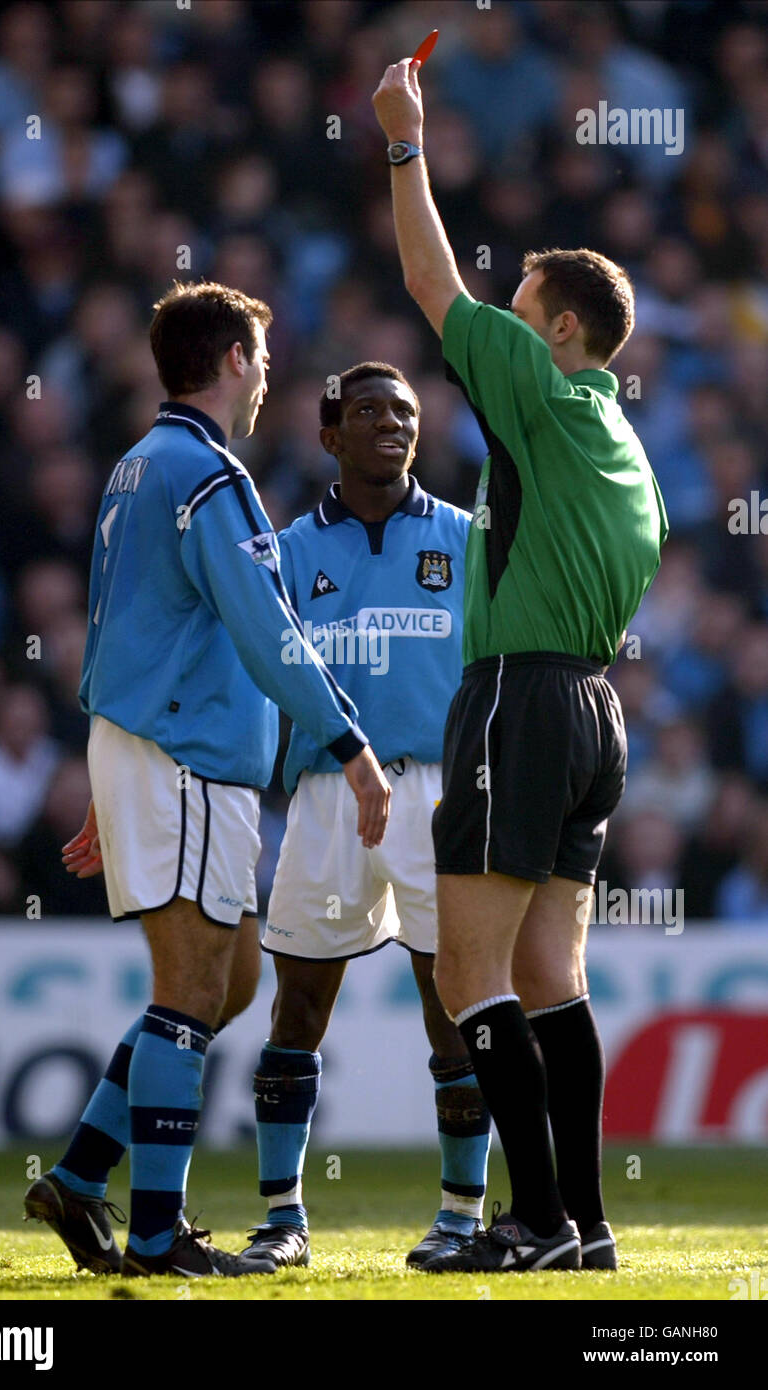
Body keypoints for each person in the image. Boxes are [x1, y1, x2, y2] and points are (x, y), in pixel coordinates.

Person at [24, 281, 390, 1278]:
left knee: (226, 985)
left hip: (156, 748)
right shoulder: (207, 477)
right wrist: (349, 743)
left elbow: (118, 628)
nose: (267, 373)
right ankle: (157, 1234)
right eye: (260, 356)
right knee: (190, 989)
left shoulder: (136, 468)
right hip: (183, 754)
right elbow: (266, 635)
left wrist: (115, 769)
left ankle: (81, 1174)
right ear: (233, 359)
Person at [371, 60, 668, 1273]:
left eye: (522, 296)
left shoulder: (537, 395)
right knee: (552, 971)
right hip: (594, 711)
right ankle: (586, 1226)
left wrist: (402, 139)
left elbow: (427, 281)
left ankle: (533, 1217)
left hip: (516, 694)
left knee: (467, 969)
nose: (502, 307)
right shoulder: (624, 448)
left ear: (554, 331)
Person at [237, 362, 491, 1274]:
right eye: (371, 411)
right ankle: (282, 1220)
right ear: (330, 434)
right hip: (324, 796)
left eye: (407, 413)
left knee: (452, 1009)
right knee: (297, 1007)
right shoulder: (288, 551)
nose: (393, 423)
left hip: (435, 797)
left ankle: (461, 1217)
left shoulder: (465, 541)